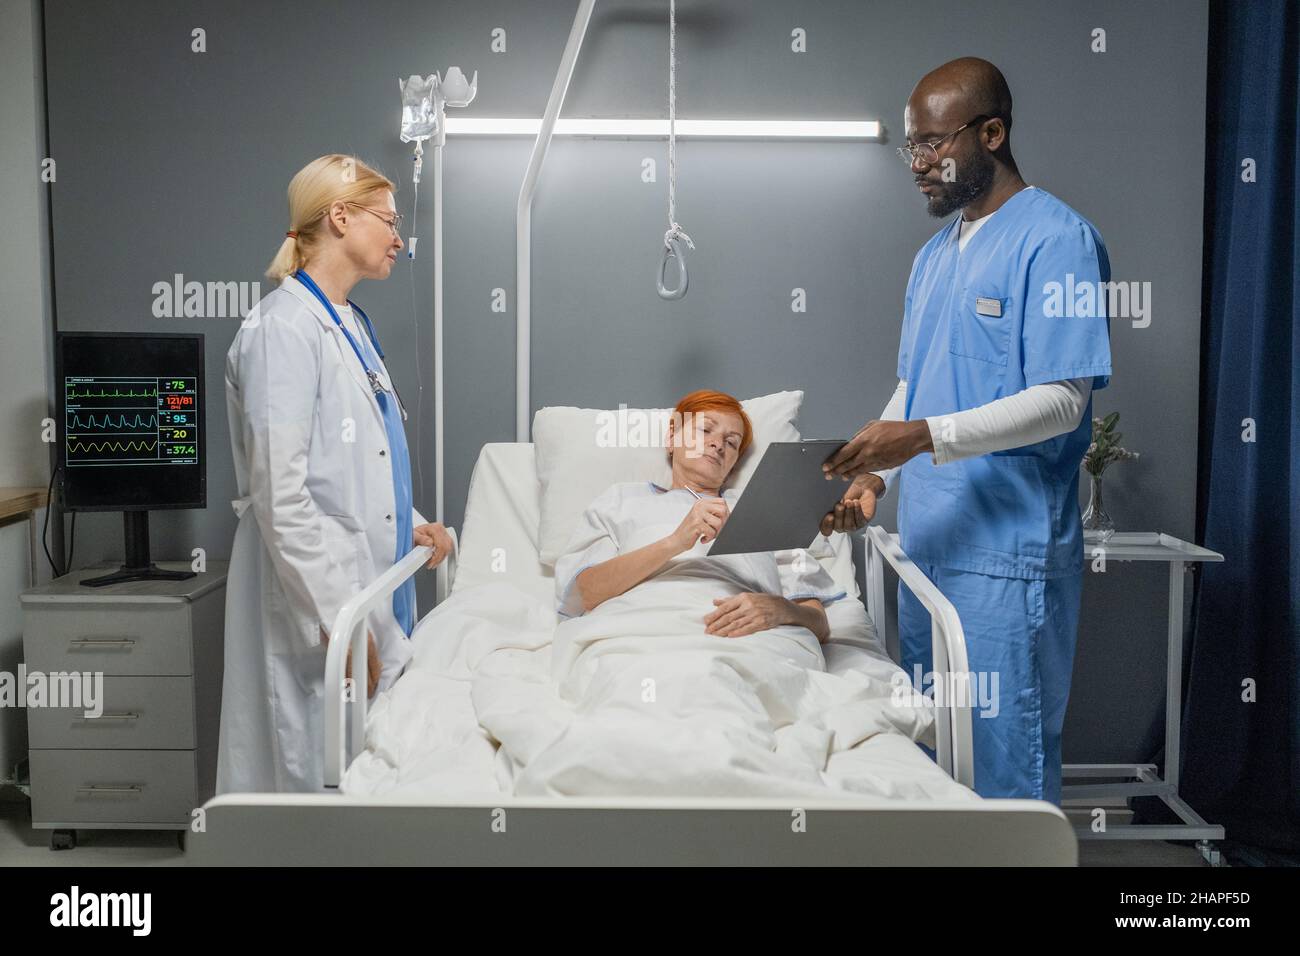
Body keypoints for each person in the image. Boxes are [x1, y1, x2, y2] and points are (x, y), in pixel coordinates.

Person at [819, 58, 1113, 805]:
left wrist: (919, 439)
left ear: (992, 132)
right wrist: (874, 471)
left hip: (1004, 558)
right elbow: (916, 383)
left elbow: (1061, 401)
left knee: (1002, 764)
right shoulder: (932, 257)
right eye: (910, 147)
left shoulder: (1058, 241)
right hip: (931, 548)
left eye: (933, 145)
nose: (919, 165)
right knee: (934, 761)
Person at [218, 154, 454, 793]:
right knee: (308, 777)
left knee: (361, 771)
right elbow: (283, 497)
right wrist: (337, 622)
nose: (400, 238)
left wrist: (413, 526)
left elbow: (361, 466)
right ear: (341, 217)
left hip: (360, 582)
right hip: (312, 595)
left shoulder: (349, 322)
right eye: (390, 220)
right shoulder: (283, 329)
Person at [557, 390, 844, 641]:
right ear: (672, 438)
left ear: (733, 465)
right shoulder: (622, 500)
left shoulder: (765, 508)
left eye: (731, 443)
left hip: (749, 640)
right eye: (705, 430)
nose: (718, 444)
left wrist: (781, 609)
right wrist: (675, 542)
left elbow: (819, 625)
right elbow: (588, 594)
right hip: (641, 633)